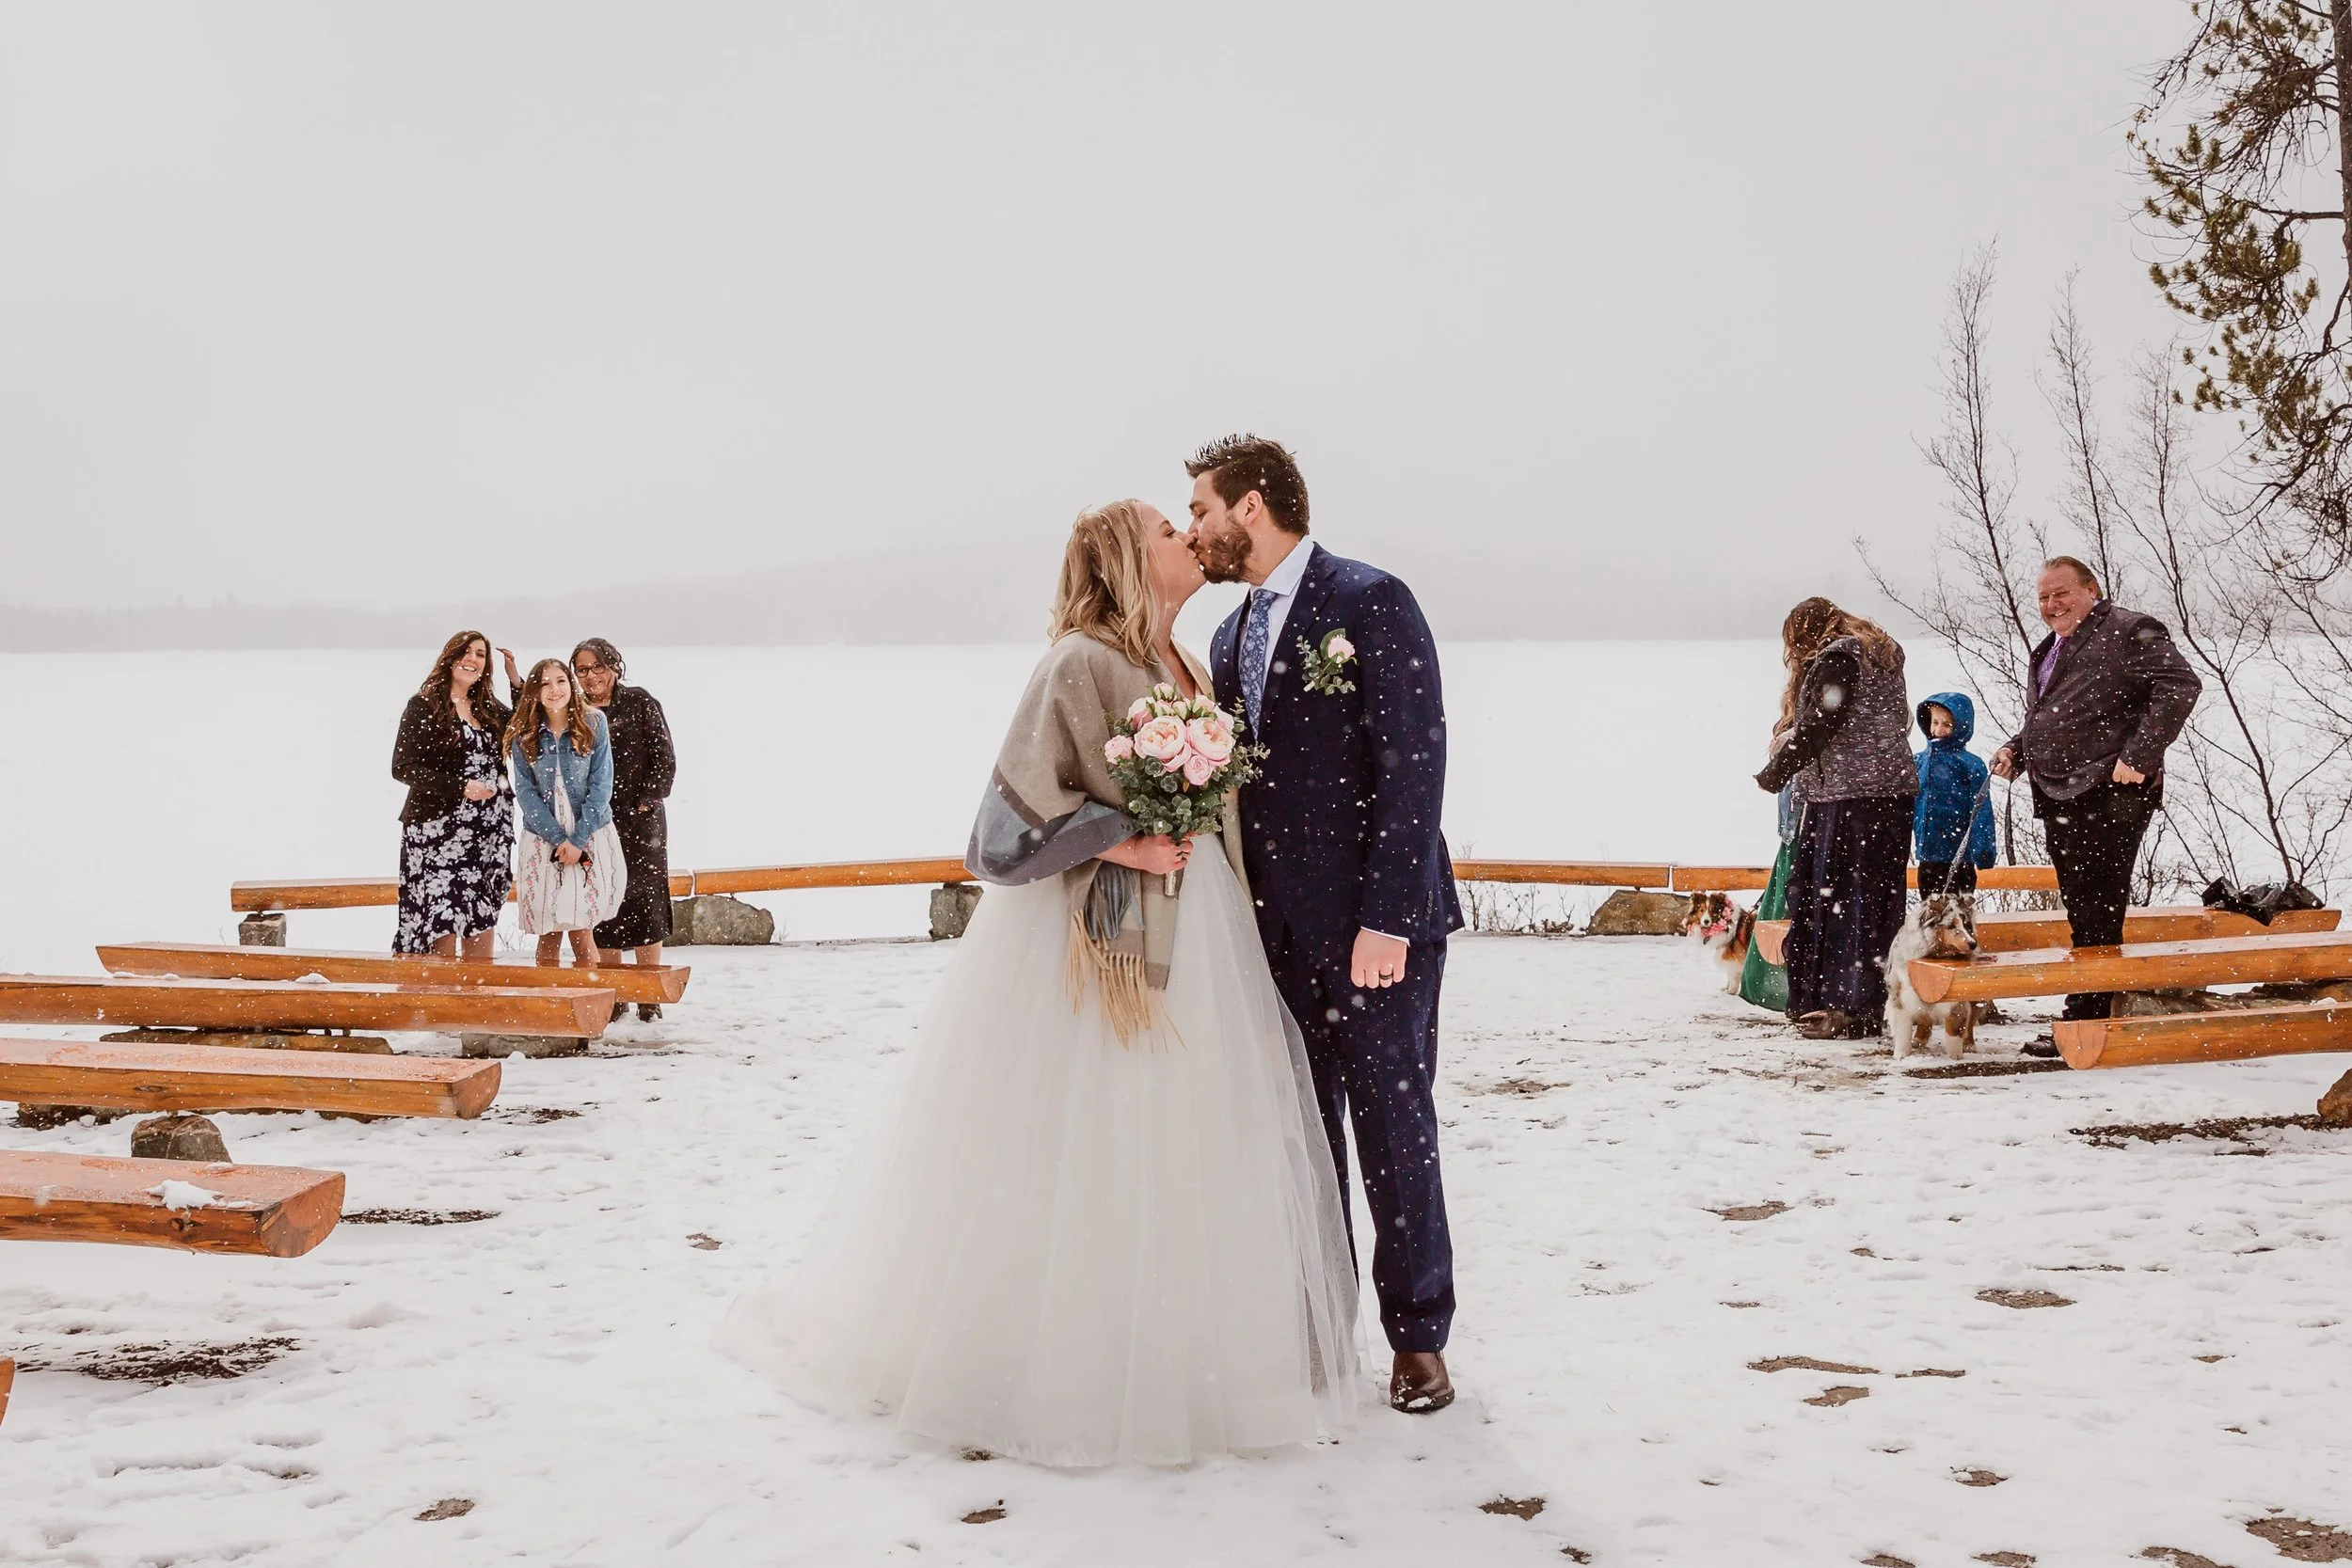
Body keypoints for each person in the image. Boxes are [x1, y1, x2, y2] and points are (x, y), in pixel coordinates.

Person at [723, 499, 1359, 1467]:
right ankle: (1067, 1367)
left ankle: (1188, 1359)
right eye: (1163, 528)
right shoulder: (1078, 662)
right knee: (1098, 1145)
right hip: (1103, 939)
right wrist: (1122, 836)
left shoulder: (1188, 662)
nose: (1187, 535)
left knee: (1187, 1146)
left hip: (1205, 943)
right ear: (1122, 557)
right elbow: (995, 839)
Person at [1192, 434, 1465, 1416]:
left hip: (1377, 930)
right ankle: (1319, 1321)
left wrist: (1387, 916)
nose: (1195, 531)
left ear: (1251, 505)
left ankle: (1418, 1338)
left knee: (1394, 1128)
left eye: (1201, 510)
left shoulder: (1370, 600)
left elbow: (1414, 765)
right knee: (1301, 1137)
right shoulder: (1227, 640)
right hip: (1275, 936)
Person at [1992, 557, 2201, 1022]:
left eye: (2061, 593)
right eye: (2044, 597)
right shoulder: (2050, 647)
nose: (2051, 604)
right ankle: (2091, 1004)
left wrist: (2139, 756)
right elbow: (2053, 715)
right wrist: (2017, 751)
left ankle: (2091, 1012)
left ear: (2092, 589)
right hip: (2060, 793)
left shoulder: (2130, 629)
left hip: (2110, 792)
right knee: (2080, 901)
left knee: (2097, 903)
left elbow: (2181, 685)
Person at [1755, 598, 1916, 1040]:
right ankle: (1867, 999)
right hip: (1889, 795)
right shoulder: (1879, 653)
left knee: (1835, 899)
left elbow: (1820, 725)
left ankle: (1841, 1004)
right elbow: (1889, 722)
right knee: (1874, 902)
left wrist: (1775, 773)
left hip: (1848, 797)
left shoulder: (1838, 658)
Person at [391, 630, 517, 958]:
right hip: (437, 832)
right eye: (466, 652)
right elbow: (403, 767)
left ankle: (479, 1001)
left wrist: (516, 681)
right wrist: (461, 787)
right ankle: (441, 1003)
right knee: (440, 919)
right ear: (450, 658)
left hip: (486, 833)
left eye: (480, 654)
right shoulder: (424, 705)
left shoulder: (490, 708)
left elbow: (528, 729)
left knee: (482, 916)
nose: (472, 659)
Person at [573, 639, 677, 1021]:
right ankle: (616, 994)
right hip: (594, 821)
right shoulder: (574, 709)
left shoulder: (639, 702)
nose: (591, 676)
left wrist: (647, 798)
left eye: (598, 667)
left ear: (615, 667)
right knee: (602, 902)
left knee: (644, 901)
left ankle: (649, 993)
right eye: (582, 670)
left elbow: (664, 757)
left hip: (640, 819)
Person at [506, 657, 627, 968]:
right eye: (545, 683)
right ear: (534, 691)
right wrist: (558, 839)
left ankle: (587, 1004)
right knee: (548, 930)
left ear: (571, 685)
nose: (554, 689)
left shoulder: (594, 723)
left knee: (580, 925)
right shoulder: (525, 735)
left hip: (587, 834)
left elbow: (602, 785)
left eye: (560, 681)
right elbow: (526, 794)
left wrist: (577, 840)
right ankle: (551, 1008)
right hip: (543, 838)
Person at [1913, 693, 1998, 895]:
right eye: (1935, 722)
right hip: (1928, 856)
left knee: (1958, 917)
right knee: (1930, 916)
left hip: (1959, 857)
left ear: (1960, 727)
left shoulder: (1970, 764)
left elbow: (1981, 811)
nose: (1939, 730)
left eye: (1947, 724)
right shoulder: (1918, 762)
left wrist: (1984, 851)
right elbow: (1909, 806)